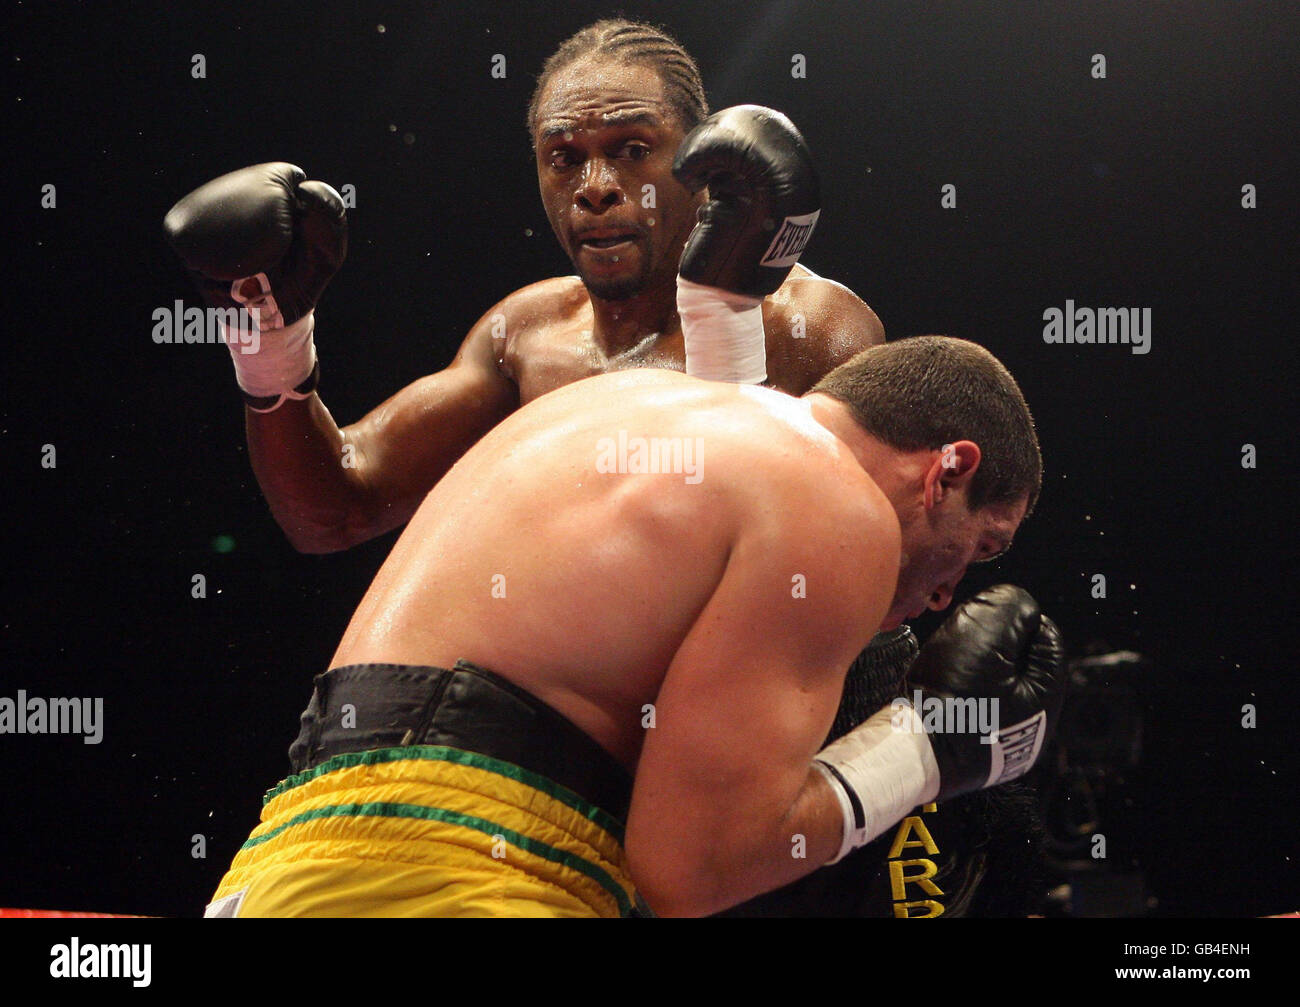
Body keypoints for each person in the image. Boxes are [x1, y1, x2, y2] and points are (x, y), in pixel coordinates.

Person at [168, 18, 1047, 917]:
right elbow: (333, 510)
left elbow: (782, 550)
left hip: (713, 740)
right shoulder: (525, 335)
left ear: (697, 165)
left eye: (631, 151)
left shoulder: (809, 325)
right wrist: (268, 341)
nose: (597, 188)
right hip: (529, 814)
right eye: (565, 159)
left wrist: (722, 311)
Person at [205, 335, 1064, 917]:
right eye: (979, 548)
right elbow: (692, 868)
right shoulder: (836, 504)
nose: (951, 594)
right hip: (465, 879)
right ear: (949, 470)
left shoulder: (615, 408)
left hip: (284, 864)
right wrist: (923, 751)